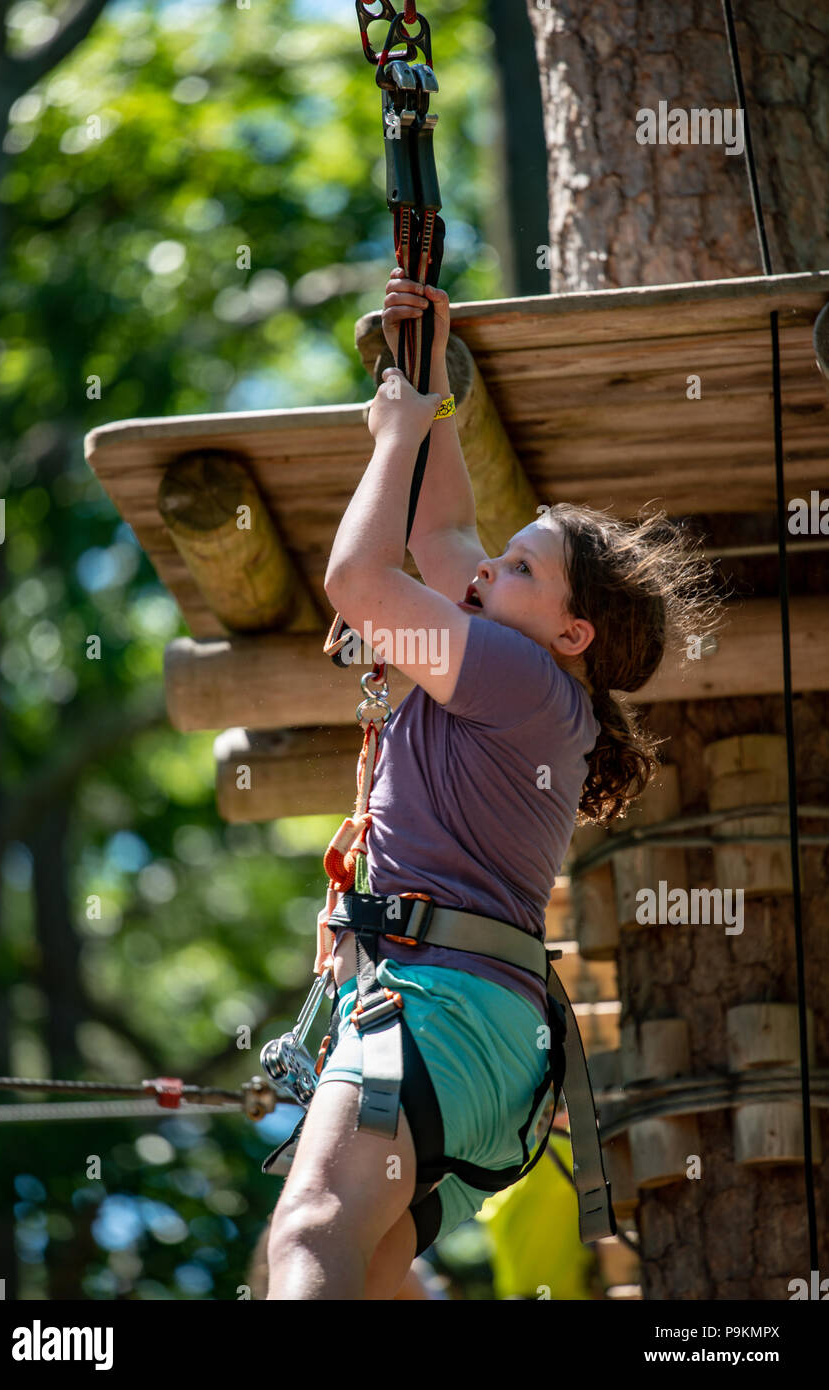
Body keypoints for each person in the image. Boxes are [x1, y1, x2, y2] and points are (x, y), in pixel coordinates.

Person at [265, 267, 721, 1300]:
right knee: (367, 1268)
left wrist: (391, 433)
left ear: (572, 632)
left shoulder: (515, 676)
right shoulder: (537, 681)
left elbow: (359, 583)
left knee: (308, 1237)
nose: (482, 572)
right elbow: (438, 536)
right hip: (483, 1051)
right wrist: (426, 377)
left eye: (515, 569)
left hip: (439, 1014)